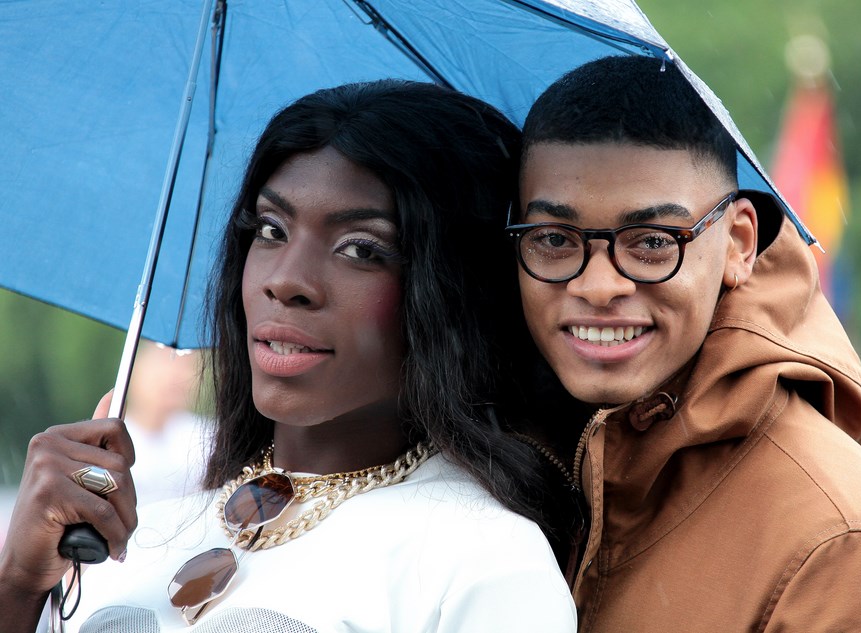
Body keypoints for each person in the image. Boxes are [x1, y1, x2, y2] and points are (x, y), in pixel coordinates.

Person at [0, 80, 575, 632]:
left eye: (361, 249)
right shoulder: (126, 538)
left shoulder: (484, 562)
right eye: (271, 229)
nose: (287, 281)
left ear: (456, 292)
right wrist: (20, 584)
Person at [506, 55, 861, 631]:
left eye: (652, 242)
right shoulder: (504, 469)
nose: (598, 286)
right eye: (555, 239)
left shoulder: (841, 538)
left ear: (738, 243)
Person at [122, 340, 209, 505]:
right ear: (136, 369)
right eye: (162, 362)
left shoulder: (207, 439)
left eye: (185, 366)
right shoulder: (109, 442)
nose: (175, 375)